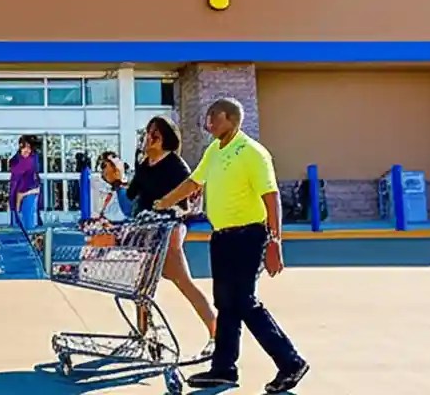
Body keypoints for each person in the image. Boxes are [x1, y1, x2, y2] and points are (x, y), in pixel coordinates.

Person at [155, 97, 308, 394]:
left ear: (230, 118)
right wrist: (164, 202)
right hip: (222, 236)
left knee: (244, 302)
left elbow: (271, 196)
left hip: (249, 235)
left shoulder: (252, 152)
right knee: (225, 303)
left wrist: (276, 241)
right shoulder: (214, 150)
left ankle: (291, 363)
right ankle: (224, 369)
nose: (208, 120)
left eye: (214, 115)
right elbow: (193, 182)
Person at [101, 116, 218, 359]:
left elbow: (187, 204)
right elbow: (130, 199)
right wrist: (117, 180)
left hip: (167, 234)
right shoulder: (145, 165)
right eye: (147, 132)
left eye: (153, 133)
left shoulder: (176, 165)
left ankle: (217, 335)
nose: (148, 137)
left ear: (164, 137)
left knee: (184, 283)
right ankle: (143, 336)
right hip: (145, 233)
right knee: (141, 288)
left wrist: (169, 215)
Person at [8, 135, 42, 228]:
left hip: (27, 193)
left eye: (29, 148)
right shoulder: (18, 160)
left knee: (26, 224)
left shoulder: (30, 160)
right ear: (20, 146)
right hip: (19, 194)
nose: (27, 150)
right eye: (25, 147)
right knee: (21, 224)